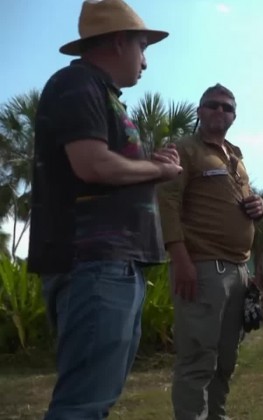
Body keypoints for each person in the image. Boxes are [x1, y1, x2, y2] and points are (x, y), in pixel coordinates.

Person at [27, 0, 177, 418]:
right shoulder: (78, 84)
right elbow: (92, 165)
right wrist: (157, 171)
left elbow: (110, 165)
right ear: (118, 42)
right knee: (83, 405)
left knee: (95, 399)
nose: (145, 62)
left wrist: (152, 167)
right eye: (142, 48)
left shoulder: (102, 94)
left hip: (110, 267)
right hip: (92, 266)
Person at [157, 83, 263, 420]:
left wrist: (258, 206)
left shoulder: (235, 155)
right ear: (199, 111)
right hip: (202, 268)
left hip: (238, 270)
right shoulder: (184, 150)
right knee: (197, 358)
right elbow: (167, 202)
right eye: (213, 105)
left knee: (225, 359)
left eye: (227, 108)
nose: (220, 112)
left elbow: (237, 203)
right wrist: (181, 260)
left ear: (234, 116)